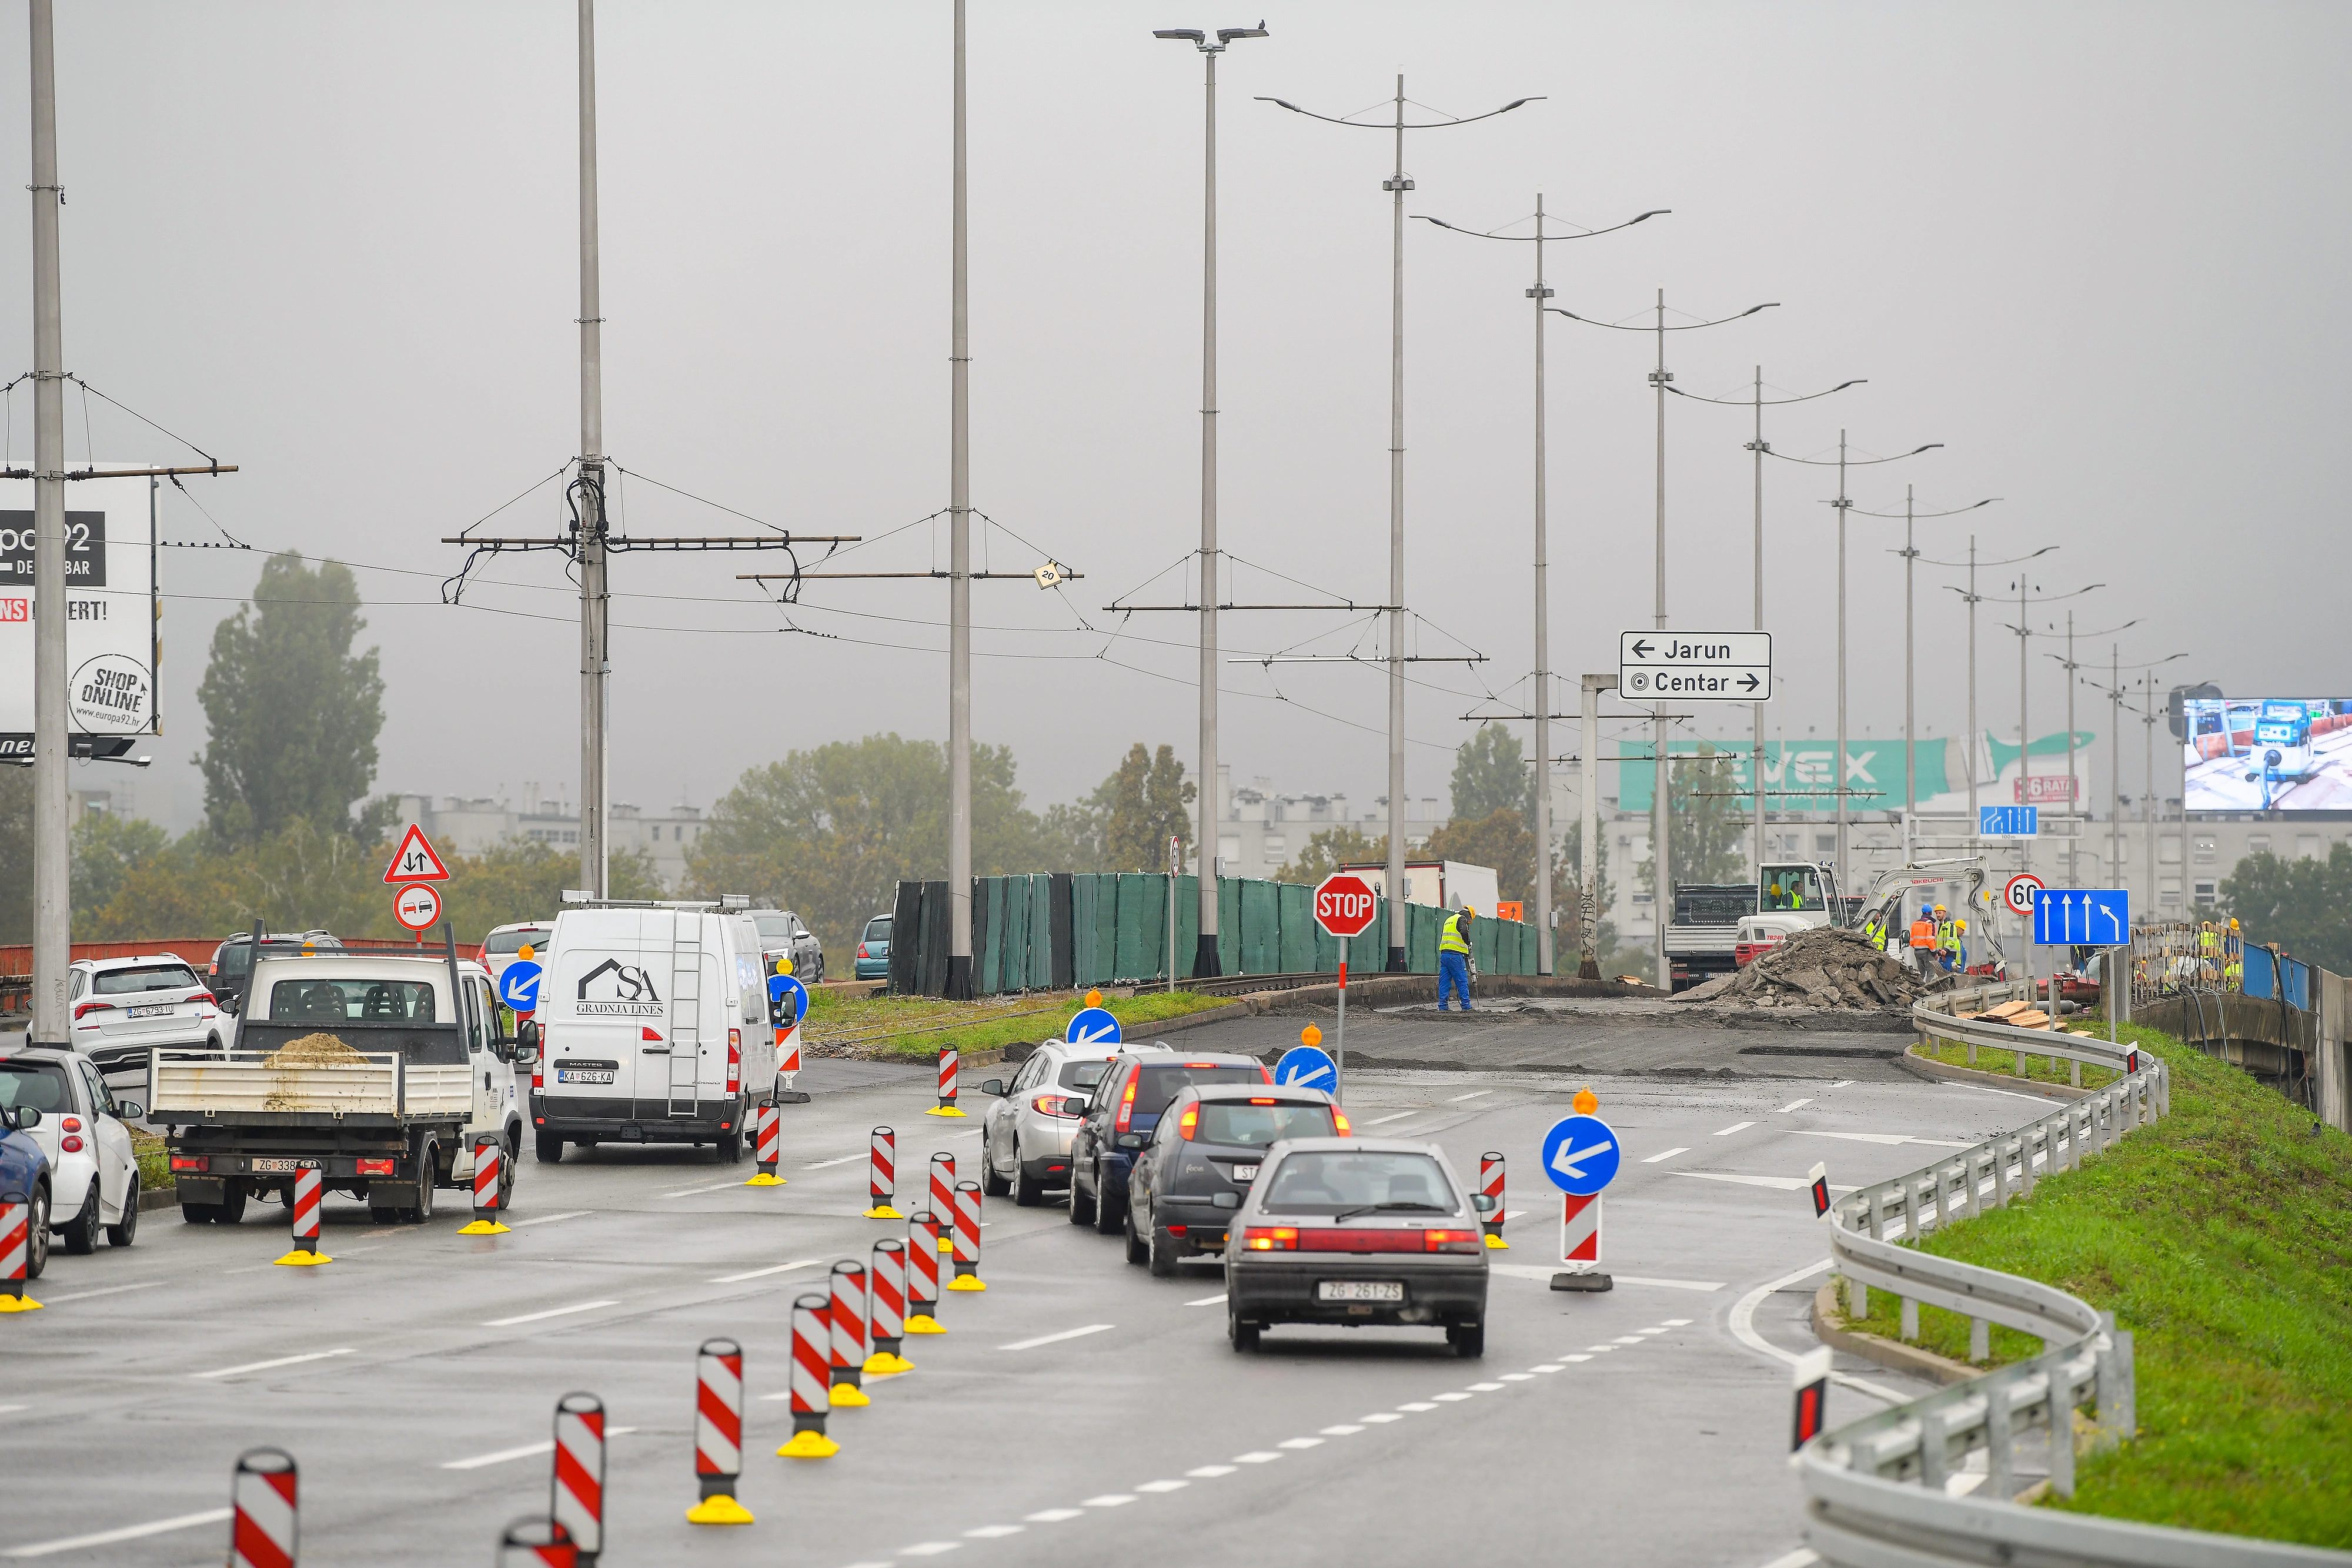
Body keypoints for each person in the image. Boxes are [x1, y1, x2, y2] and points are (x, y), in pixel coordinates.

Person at [1438, 904, 1476, 1011]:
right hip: (1455, 956)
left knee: (1444, 981)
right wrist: (1468, 943)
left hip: (1445, 955)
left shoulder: (1449, 919)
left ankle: (1443, 1006)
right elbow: (1464, 931)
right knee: (1462, 981)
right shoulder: (1462, 918)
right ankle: (1466, 1006)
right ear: (1469, 915)